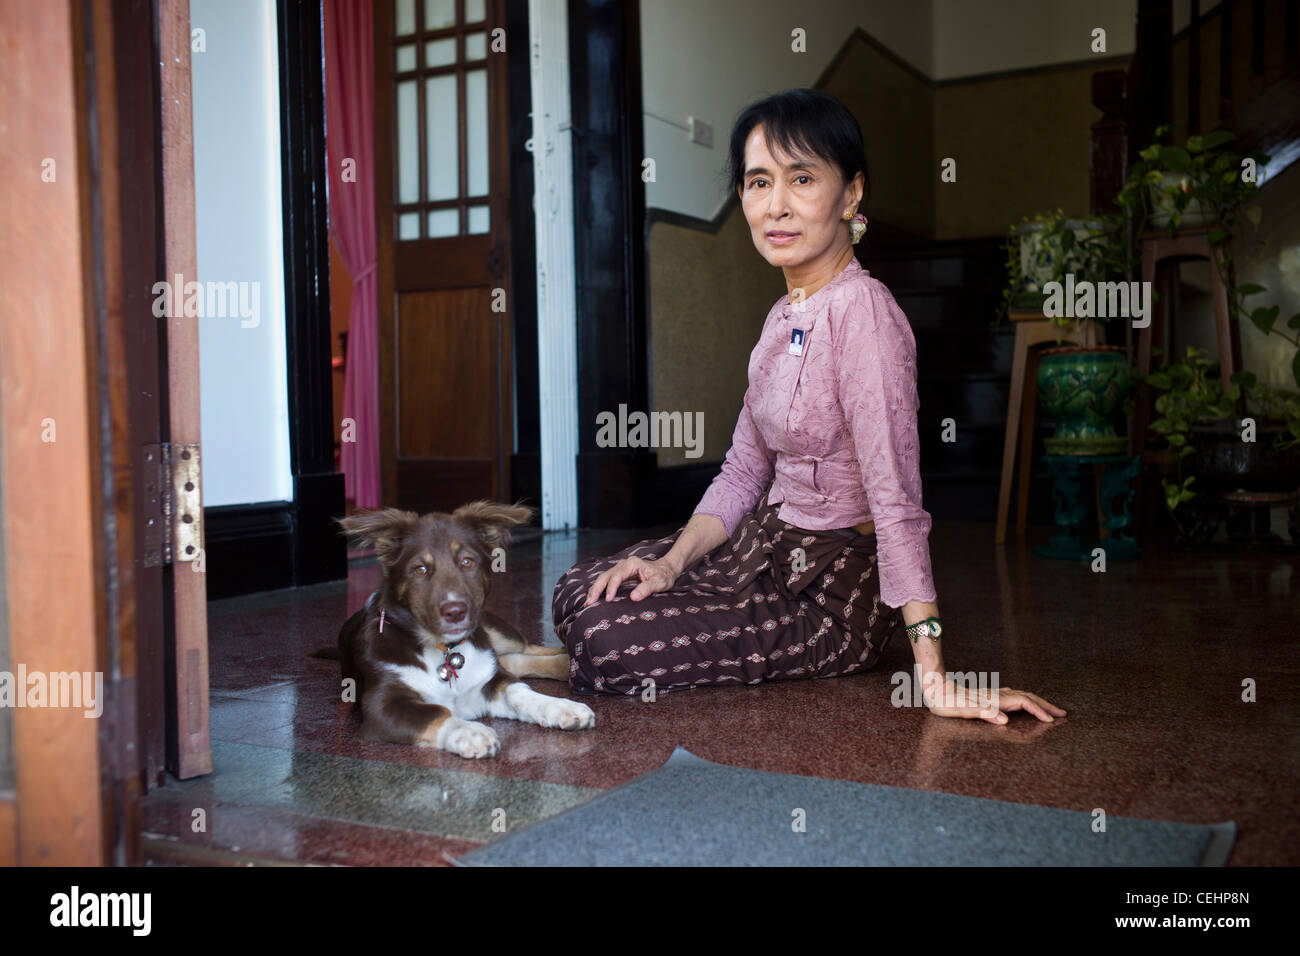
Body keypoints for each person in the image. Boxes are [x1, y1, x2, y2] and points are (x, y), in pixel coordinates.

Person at [551, 89, 1064, 725]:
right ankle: (590, 637)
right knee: (582, 588)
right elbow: (743, 471)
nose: (778, 206)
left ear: (850, 195)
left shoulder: (864, 314)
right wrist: (670, 564)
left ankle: (574, 657)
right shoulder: (783, 316)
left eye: (802, 178)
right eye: (759, 182)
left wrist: (933, 676)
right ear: (741, 197)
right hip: (766, 549)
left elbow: (895, 497)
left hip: (833, 594)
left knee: (604, 639)